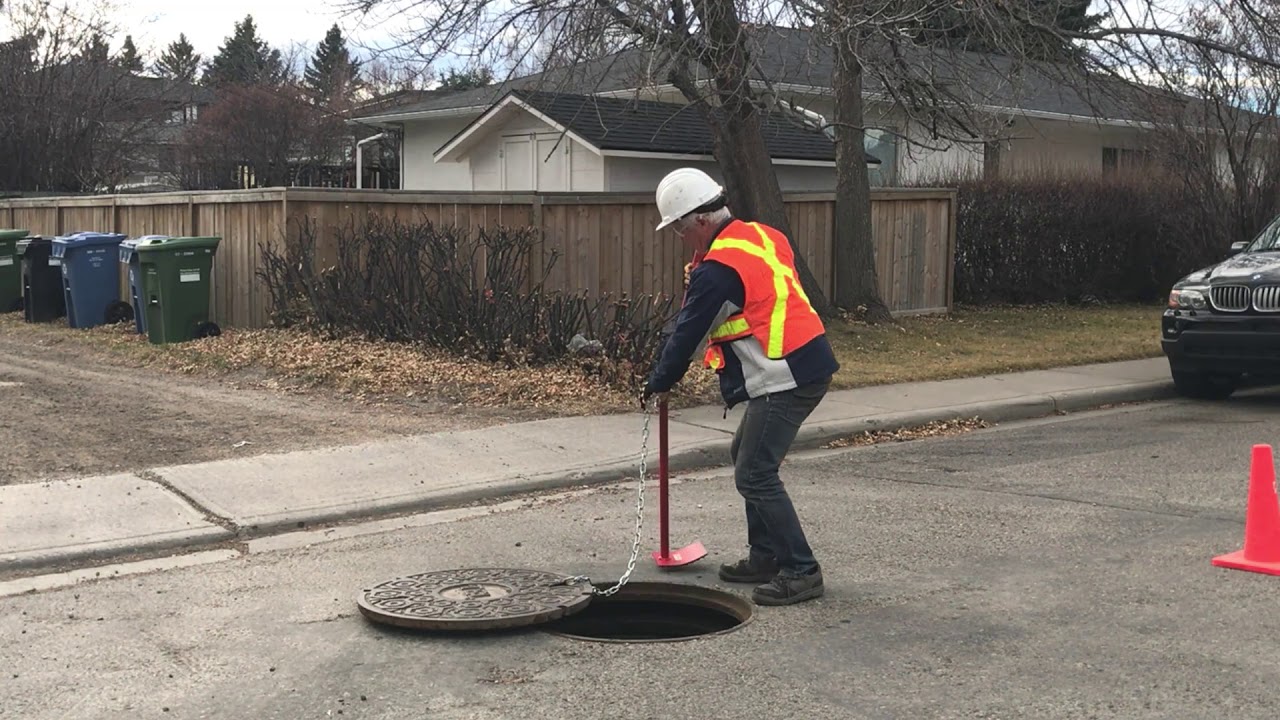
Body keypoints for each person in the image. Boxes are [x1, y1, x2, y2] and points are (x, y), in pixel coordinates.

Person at [641, 167, 839, 607]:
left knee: (755, 471)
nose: (678, 235)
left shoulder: (718, 270)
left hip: (786, 375)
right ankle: (765, 555)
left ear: (702, 220)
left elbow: (689, 333)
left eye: (679, 226)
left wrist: (659, 380)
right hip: (802, 361)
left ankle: (801, 570)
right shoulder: (761, 236)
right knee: (744, 458)